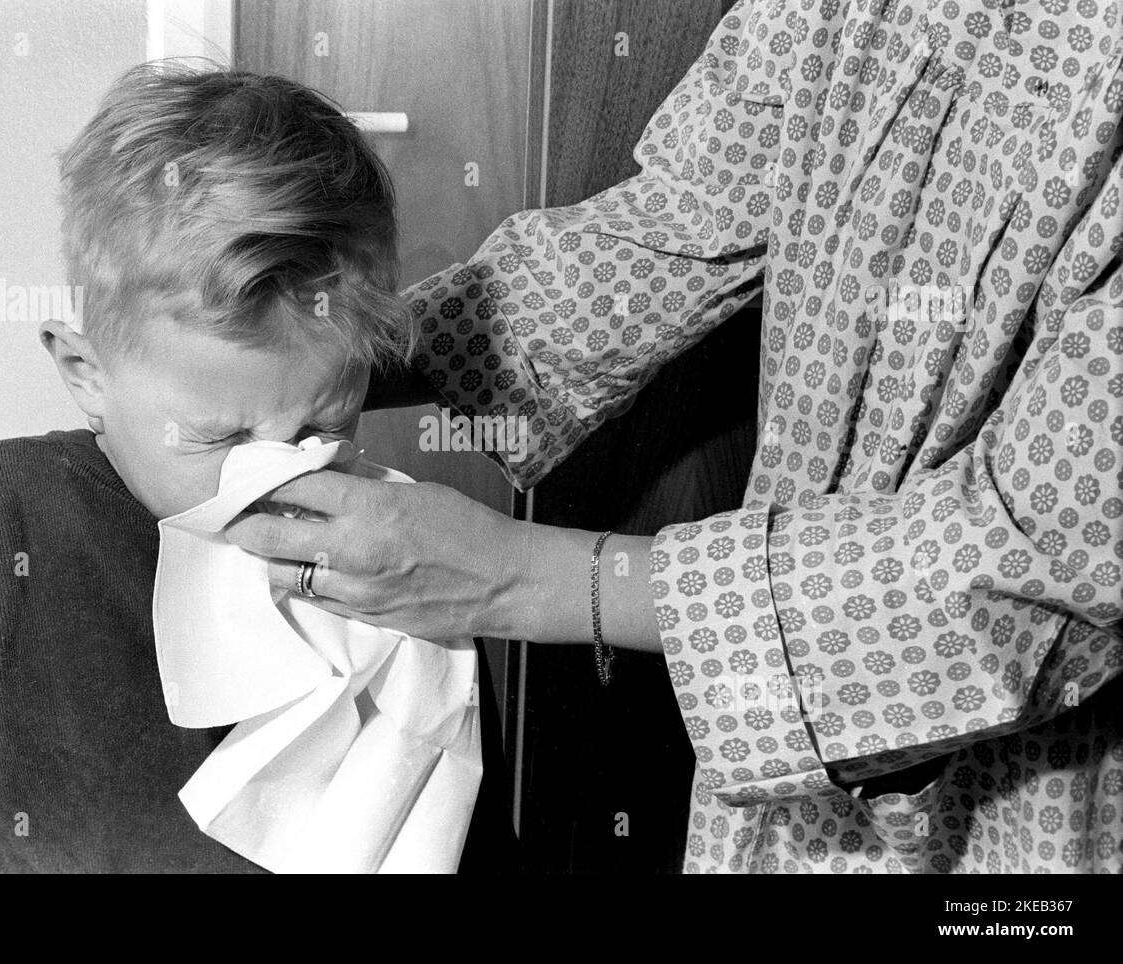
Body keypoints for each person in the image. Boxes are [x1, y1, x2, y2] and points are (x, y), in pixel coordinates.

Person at [228, 0, 1123, 872]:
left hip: (1034, 805)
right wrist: (329, 355)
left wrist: (519, 577)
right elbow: (675, 227)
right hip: (790, 807)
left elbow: (1048, 551)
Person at [0, 63, 516, 872]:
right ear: (87, 375)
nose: (277, 478)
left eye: (324, 425)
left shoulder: (401, 560)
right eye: (218, 438)